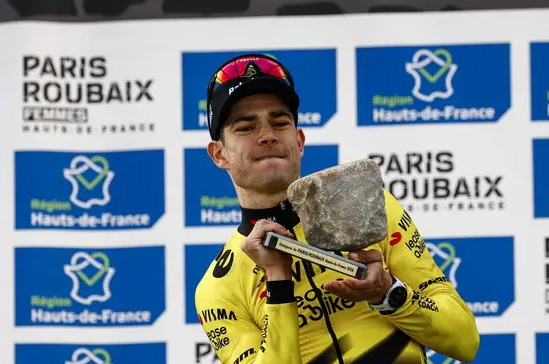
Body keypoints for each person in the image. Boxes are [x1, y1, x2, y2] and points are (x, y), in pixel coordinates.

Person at [194, 53, 480, 364]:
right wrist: (277, 279)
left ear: (299, 141)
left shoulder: (367, 207)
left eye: (280, 122)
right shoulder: (219, 287)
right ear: (219, 154)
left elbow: (464, 340)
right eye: (246, 127)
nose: (268, 136)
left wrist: (388, 293)